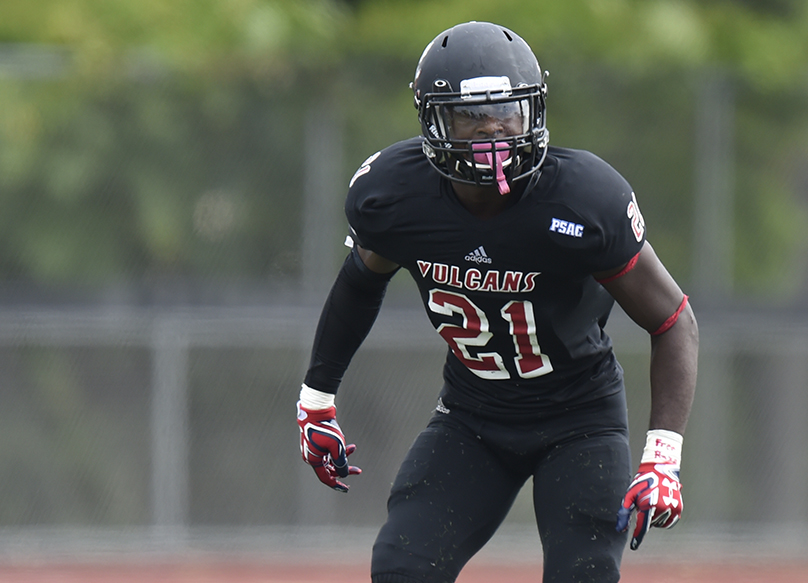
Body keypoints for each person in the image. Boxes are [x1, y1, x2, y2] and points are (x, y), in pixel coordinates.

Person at [295, 21, 698, 583]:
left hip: (580, 417)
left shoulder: (584, 200)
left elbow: (673, 319)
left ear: (533, 112)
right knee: (401, 566)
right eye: (470, 116)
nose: (493, 132)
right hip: (473, 415)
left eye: (507, 112)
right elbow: (359, 283)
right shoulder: (394, 197)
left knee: (582, 575)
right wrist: (317, 399)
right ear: (434, 122)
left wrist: (663, 456)